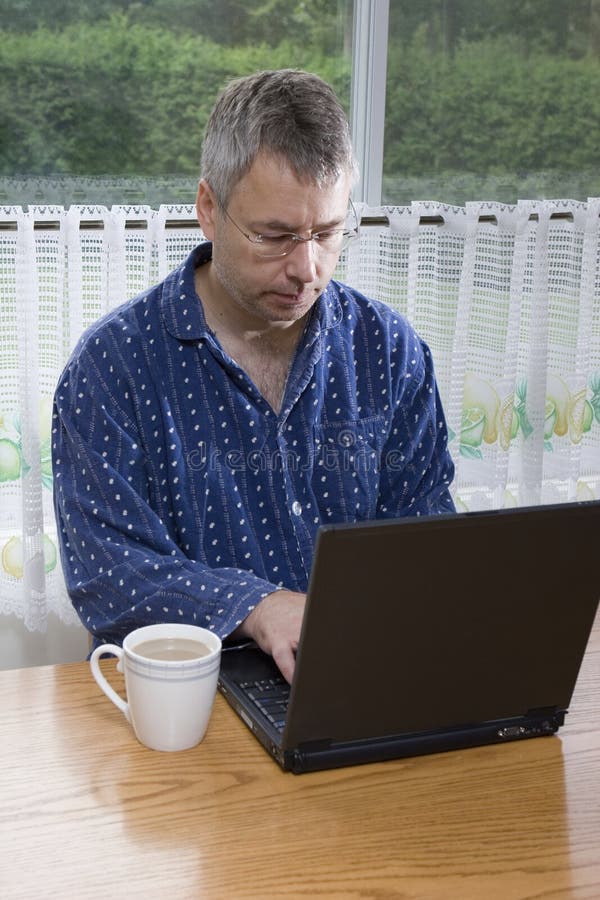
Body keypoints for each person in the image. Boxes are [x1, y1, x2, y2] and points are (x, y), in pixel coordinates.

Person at [52, 69, 455, 683]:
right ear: (209, 210)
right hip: (183, 707)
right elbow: (109, 576)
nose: (306, 267)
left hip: (359, 685)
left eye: (326, 232)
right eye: (275, 236)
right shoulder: (113, 367)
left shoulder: (389, 351)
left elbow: (427, 535)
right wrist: (257, 608)